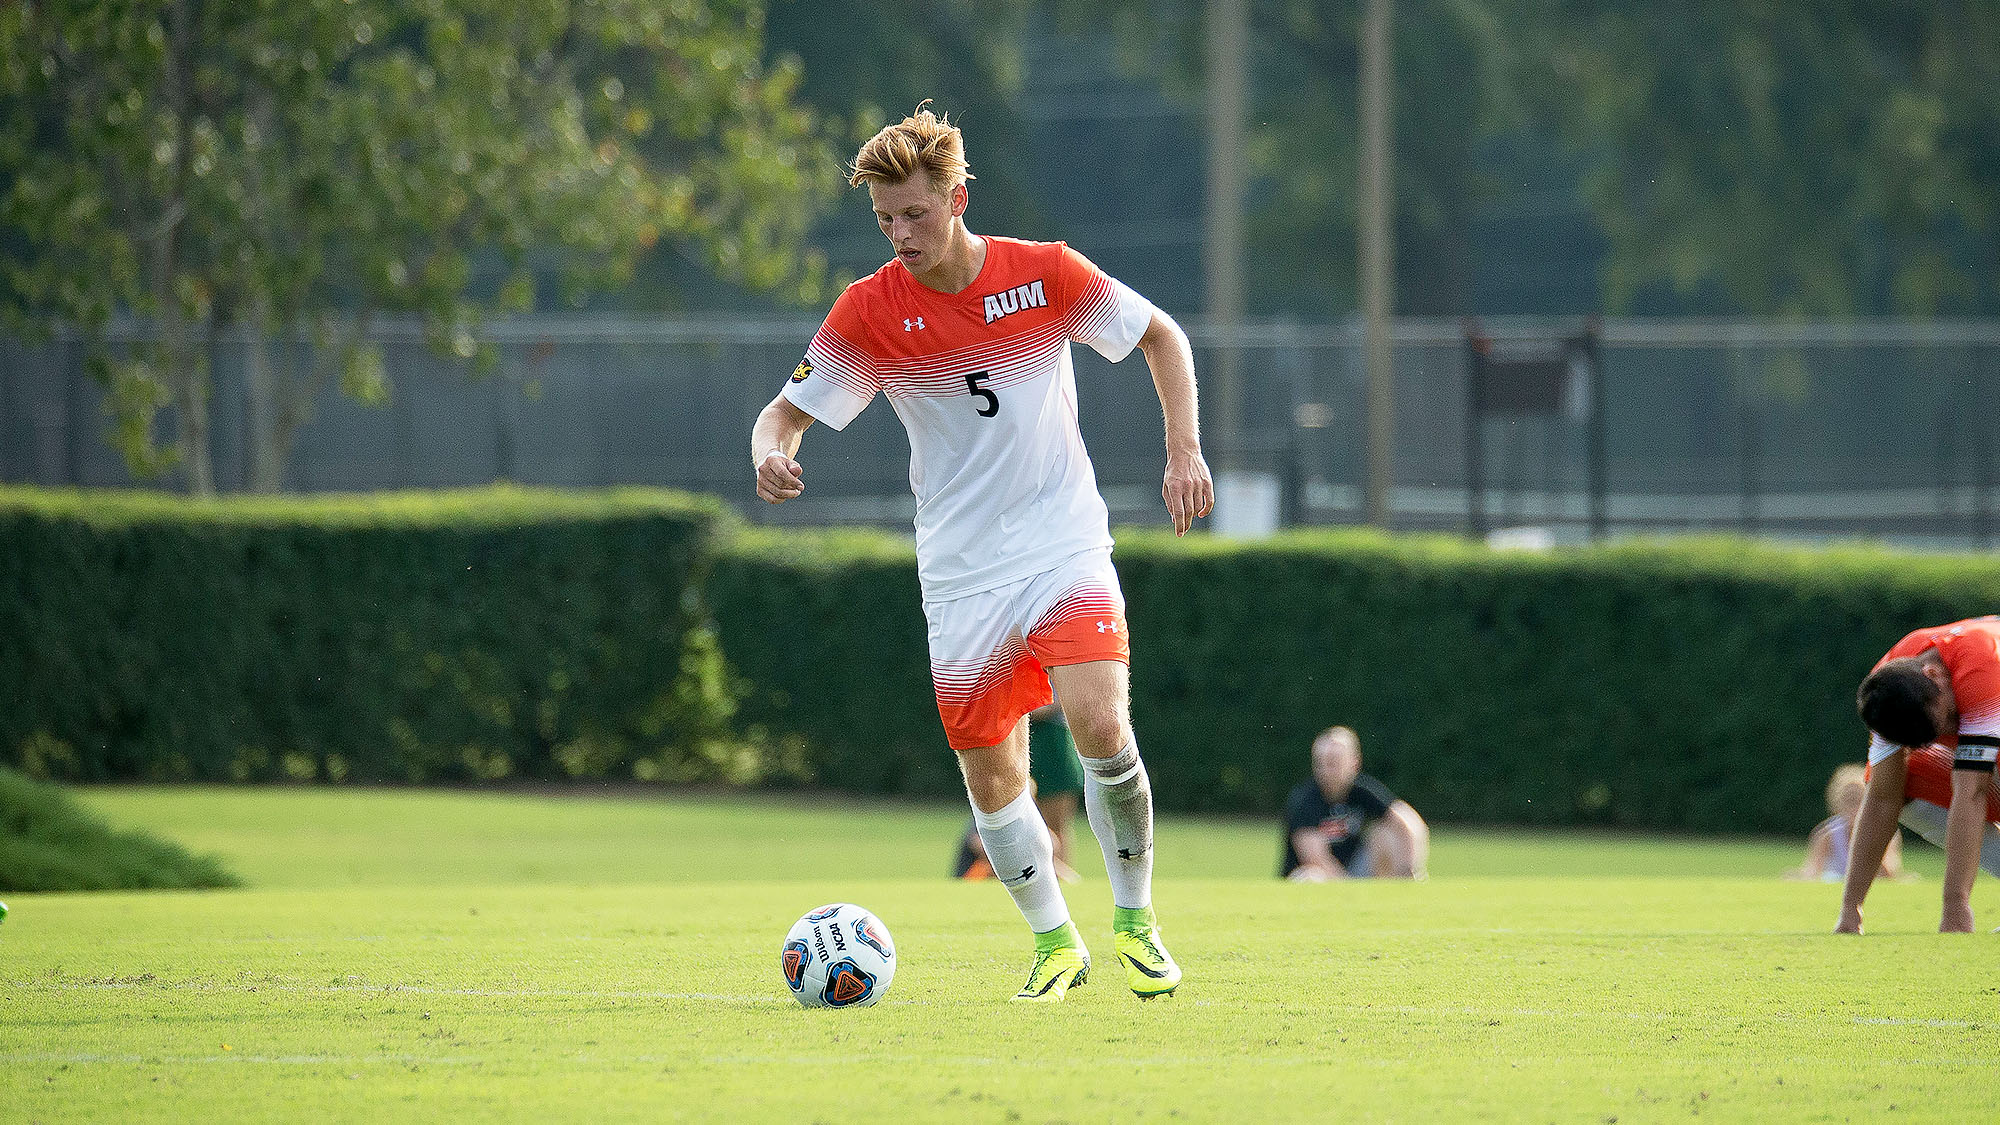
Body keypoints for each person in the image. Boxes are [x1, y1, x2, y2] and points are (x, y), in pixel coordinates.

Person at [751, 104, 1213, 1001]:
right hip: (961, 570)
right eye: (885, 219)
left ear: (959, 197)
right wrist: (772, 453)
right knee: (991, 767)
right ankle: (1054, 942)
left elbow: (1162, 335)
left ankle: (1136, 920)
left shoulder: (1043, 275)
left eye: (916, 214)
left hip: (1061, 539)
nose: (901, 235)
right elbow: (785, 411)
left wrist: (1184, 449)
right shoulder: (869, 310)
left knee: (1100, 723)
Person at [1840, 617, 2000, 934]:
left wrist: (1955, 906)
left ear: (1934, 676)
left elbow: (1971, 792)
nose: (1953, 734)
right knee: (1903, 779)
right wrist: (1850, 909)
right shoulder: (1887, 694)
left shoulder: (1982, 671)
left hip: (1991, 685)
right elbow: (1883, 797)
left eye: (1949, 719)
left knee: (1971, 780)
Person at [953, 703, 1085, 883]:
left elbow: (1061, 699)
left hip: (1051, 740)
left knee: (1055, 827)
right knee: (1005, 809)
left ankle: (1057, 883)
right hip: (1011, 732)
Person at [1281, 726, 1429, 881]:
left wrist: (1409, 868)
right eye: (1320, 763)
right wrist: (1349, 890)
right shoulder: (1304, 800)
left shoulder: (1361, 791)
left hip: (1354, 871)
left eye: (1332, 763)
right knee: (1310, 878)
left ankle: (1387, 894)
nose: (1325, 771)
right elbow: (1316, 859)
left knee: (1384, 834)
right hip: (1324, 878)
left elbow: (1409, 823)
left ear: (1354, 763)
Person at [1786, 764, 1905, 882]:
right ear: (1838, 804)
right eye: (1849, 800)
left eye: (1860, 800)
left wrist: (1869, 839)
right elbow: (1813, 871)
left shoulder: (1885, 832)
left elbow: (1889, 874)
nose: (1854, 807)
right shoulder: (1827, 835)